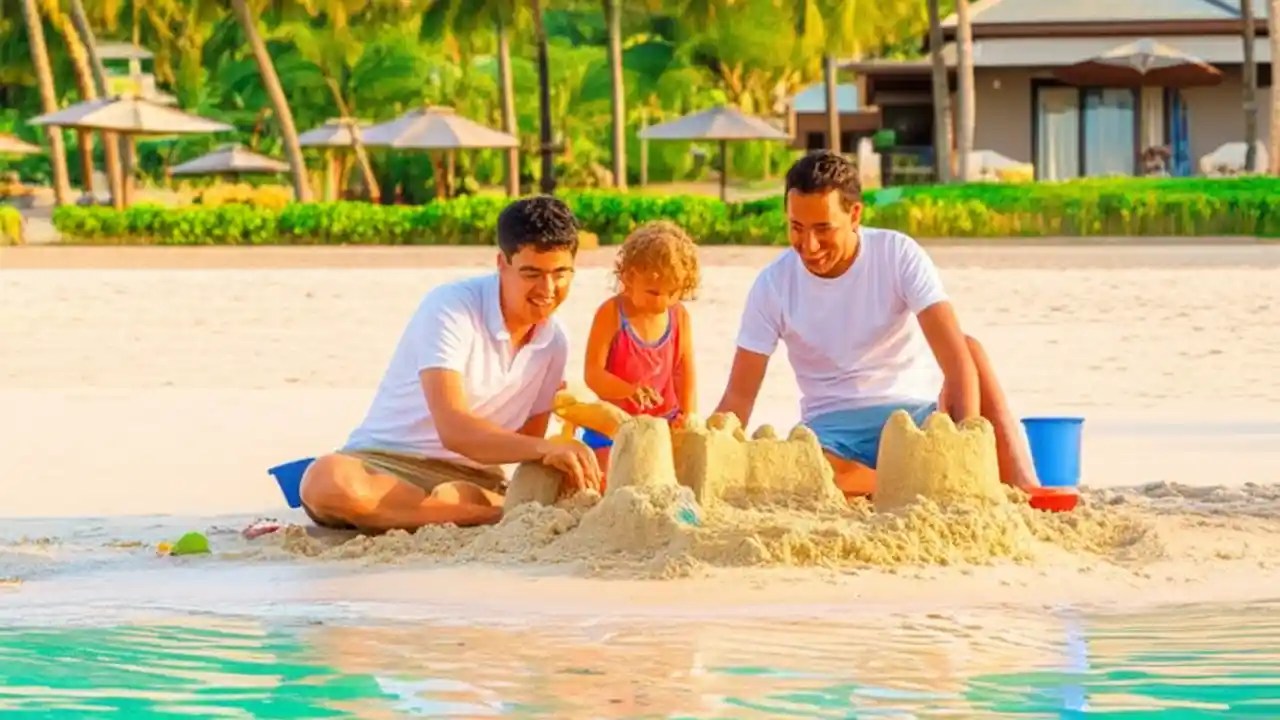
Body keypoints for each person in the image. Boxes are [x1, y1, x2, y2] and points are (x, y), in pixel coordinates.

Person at [714, 151, 1039, 497]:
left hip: (914, 416)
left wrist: (962, 445)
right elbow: (738, 397)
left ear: (854, 215)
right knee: (800, 467)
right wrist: (707, 446)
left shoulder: (897, 254)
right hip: (831, 433)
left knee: (971, 349)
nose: (808, 246)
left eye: (823, 229)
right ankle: (910, 483)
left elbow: (957, 361)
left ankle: (1024, 485)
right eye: (796, 227)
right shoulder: (772, 284)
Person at [298, 196, 601, 532]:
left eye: (561, 273)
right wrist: (545, 449)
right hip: (389, 463)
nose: (548, 289)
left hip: (478, 481)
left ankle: (442, 514)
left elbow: (524, 445)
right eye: (532, 273)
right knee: (326, 481)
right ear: (502, 263)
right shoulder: (451, 308)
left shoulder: (554, 342)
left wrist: (562, 449)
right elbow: (454, 430)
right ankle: (490, 516)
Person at [580, 221, 700, 477]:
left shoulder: (679, 317)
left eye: (672, 292)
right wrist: (628, 391)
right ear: (628, 276)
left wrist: (687, 414)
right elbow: (592, 374)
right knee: (602, 479)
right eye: (653, 292)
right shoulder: (611, 314)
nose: (663, 301)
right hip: (612, 425)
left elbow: (683, 370)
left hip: (662, 423)